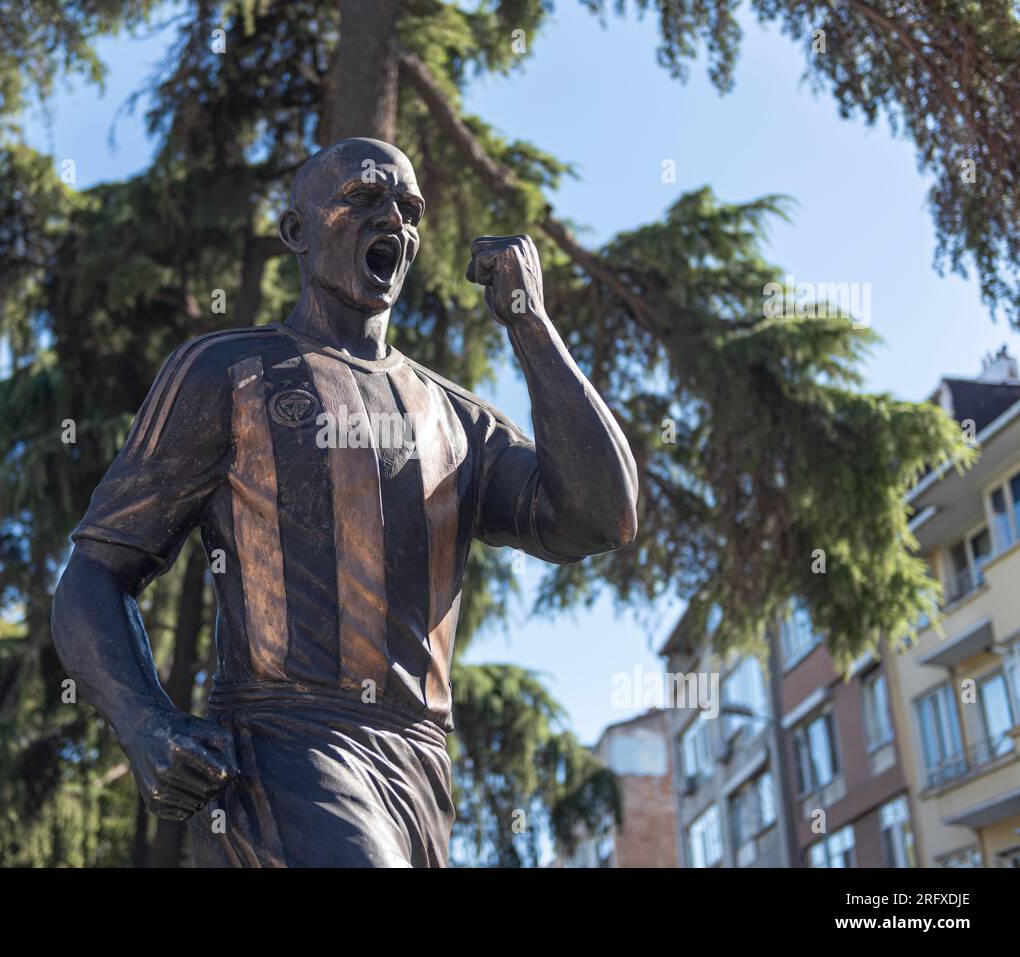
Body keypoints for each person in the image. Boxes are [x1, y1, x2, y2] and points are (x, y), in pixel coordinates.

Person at [51, 138, 638, 866]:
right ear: (297, 232)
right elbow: (93, 575)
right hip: (279, 751)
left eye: (408, 208)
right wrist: (144, 723)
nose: (392, 215)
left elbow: (600, 516)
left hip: (420, 767)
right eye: (363, 196)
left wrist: (531, 324)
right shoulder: (228, 372)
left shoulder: (455, 418)